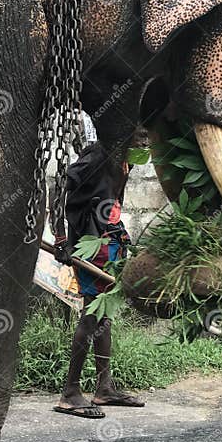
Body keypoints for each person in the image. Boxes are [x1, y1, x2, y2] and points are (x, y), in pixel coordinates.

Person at [53, 142, 144, 419]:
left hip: (113, 242)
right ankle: (70, 393)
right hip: (93, 245)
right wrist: (60, 238)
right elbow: (58, 188)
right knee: (92, 315)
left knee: (105, 315)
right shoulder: (99, 154)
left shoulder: (126, 159)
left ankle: (104, 388)